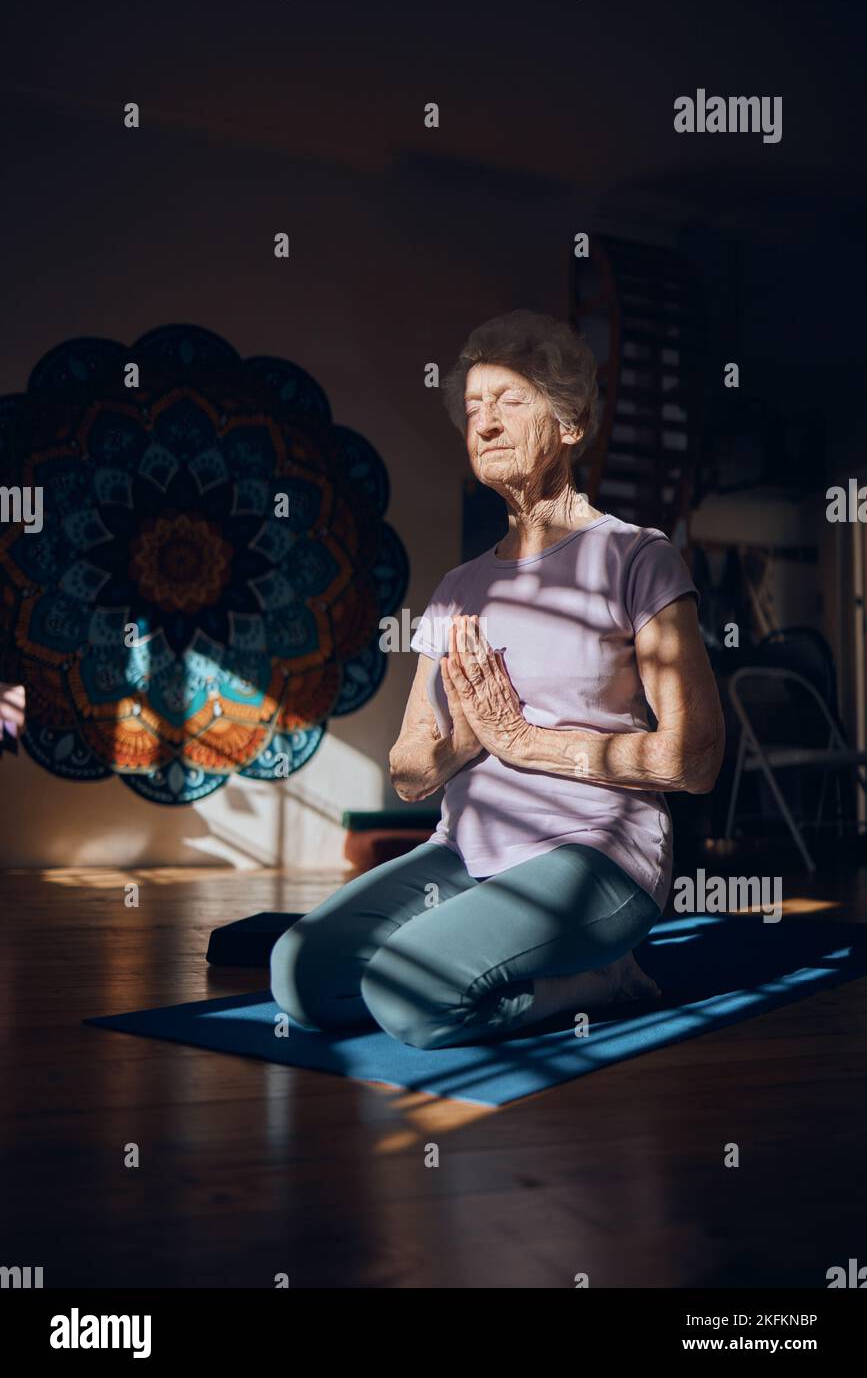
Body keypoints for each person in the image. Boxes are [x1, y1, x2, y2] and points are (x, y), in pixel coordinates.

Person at [271, 310, 725, 1049]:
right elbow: (408, 770)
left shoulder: (637, 560)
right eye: (474, 408)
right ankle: (494, 955)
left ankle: (602, 977)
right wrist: (463, 745)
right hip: (465, 854)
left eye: (509, 401)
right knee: (301, 976)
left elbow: (695, 760)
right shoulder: (456, 588)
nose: (484, 423)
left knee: (406, 998)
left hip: (595, 858)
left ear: (571, 424)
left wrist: (522, 741)